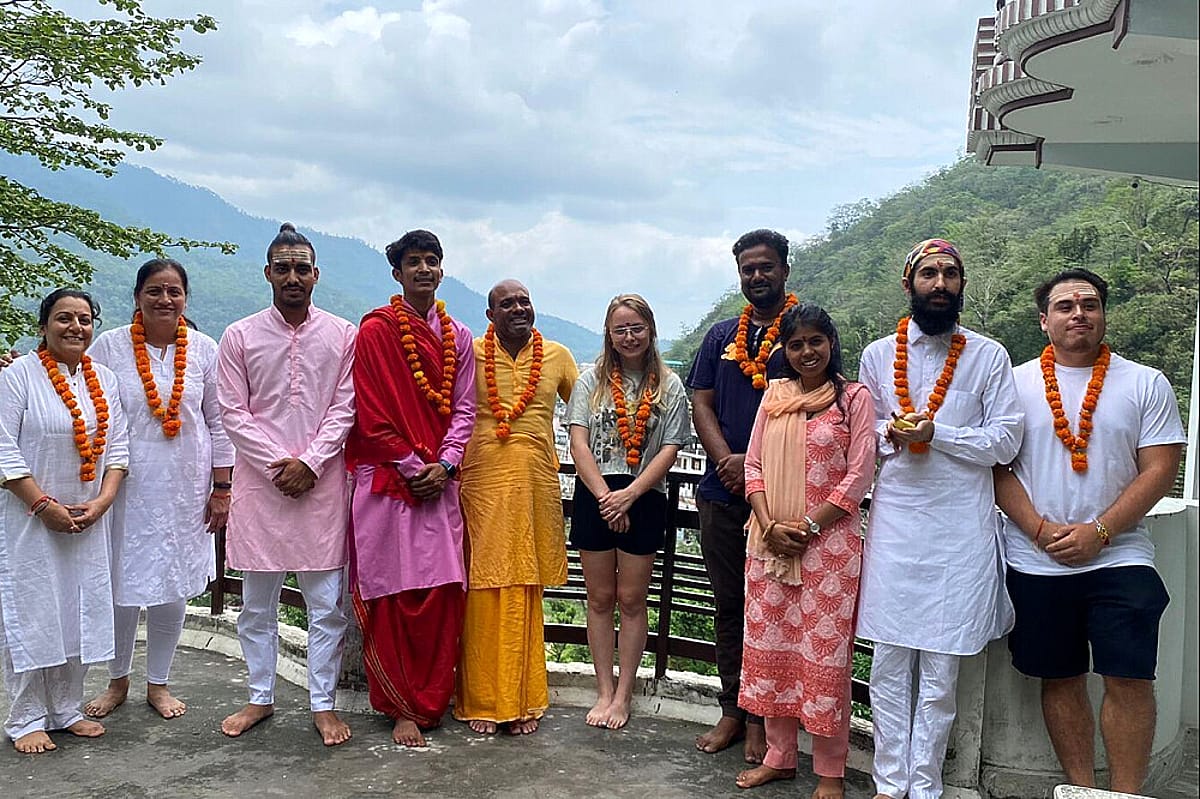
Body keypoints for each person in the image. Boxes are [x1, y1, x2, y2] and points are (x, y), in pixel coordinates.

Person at [993, 269, 1184, 794]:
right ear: (1043, 320)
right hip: (1036, 557)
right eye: (1065, 305)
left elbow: (1160, 467)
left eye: (1090, 304)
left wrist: (1100, 531)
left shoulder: (1145, 382)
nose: (1079, 313)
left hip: (1121, 555)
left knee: (1130, 677)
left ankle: (1124, 794)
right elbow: (997, 468)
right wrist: (1036, 530)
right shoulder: (1012, 383)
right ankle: (1079, 788)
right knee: (1060, 675)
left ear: (1102, 313)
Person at [857, 239, 1023, 799]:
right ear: (909, 285)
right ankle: (889, 782)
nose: (940, 283)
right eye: (929, 273)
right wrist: (891, 433)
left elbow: (1005, 441)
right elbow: (868, 435)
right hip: (897, 523)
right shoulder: (879, 354)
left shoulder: (989, 355)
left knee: (941, 671)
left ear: (962, 286)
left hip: (959, 529)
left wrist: (938, 434)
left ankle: (925, 787)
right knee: (888, 660)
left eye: (951, 274)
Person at [216, 223, 356, 746]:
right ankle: (259, 695)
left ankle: (322, 704)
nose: (293, 276)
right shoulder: (240, 335)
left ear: (316, 275)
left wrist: (313, 463)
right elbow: (232, 412)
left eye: (302, 268)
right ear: (267, 273)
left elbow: (346, 406)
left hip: (321, 488)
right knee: (257, 605)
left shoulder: (343, 334)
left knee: (326, 606)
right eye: (283, 268)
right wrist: (282, 464)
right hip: (262, 488)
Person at [79, 259, 234, 721]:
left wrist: (222, 488)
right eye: (154, 291)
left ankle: (159, 684)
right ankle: (117, 680)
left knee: (173, 586)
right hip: (123, 484)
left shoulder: (205, 349)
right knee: (121, 584)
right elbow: (81, 396)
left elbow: (219, 422)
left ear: (185, 298)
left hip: (186, 486)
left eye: (173, 291)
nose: (164, 300)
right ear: (137, 297)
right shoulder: (109, 346)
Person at [734, 304, 876, 799]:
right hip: (771, 545)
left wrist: (810, 525)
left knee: (824, 657)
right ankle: (779, 756)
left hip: (830, 550)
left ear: (832, 343)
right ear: (785, 352)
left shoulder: (853, 400)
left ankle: (830, 771)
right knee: (773, 649)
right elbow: (753, 465)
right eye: (796, 344)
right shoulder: (774, 399)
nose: (807, 351)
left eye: (816, 341)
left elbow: (858, 476)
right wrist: (770, 523)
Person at [344, 229, 476, 747]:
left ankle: (432, 700)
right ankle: (400, 706)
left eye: (432, 261)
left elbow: (464, 408)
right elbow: (370, 413)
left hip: (439, 486)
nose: (424, 269)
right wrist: (410, 464)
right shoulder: (375, 331)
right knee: (393, 596)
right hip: (387, 483)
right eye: (414, 262)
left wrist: (443, 464)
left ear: (442, 271)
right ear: (397, 273)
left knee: (442, 593)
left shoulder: (458, 336)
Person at [0, 289, 129, 753]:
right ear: (43, 325)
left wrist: (102, 503)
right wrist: (41, 506)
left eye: (85, 319)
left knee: (78, 612)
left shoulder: (105, 380)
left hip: (86, 520)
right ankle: (27, 717)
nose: (76, 327)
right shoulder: (18, 376)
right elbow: (3, 448)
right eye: (63, 318)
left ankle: (66, 708)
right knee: (35, 611)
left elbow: (118, 448)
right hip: (30, 519)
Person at [686, 228, 795, 762]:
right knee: (729, 605)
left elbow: (818, 401)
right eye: (748, 269)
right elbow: (700, 401)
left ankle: (763, 719)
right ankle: (733, 709)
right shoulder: (719, 336)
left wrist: (756, 470)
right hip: (722, 491)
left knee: (771, 609)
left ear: (784, 271)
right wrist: (727, 460)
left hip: (781, 498)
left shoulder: (803, 331)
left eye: (766, 267)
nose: (757, 276)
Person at [454, 279, 578, 736]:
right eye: (506, 303)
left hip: (534, 486)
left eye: (525, 300)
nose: (518, 308)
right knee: (481, 592)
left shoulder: (559, 357)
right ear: (490, 315)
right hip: (482, 487)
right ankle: (482, 701)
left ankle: (525, 701)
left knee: (526, 589)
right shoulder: (469, 351)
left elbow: (588, 414)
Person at [565, 293, 691, 730]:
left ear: (651, 330)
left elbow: (672, 447)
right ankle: (603, 690)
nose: (630, 336)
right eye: (621, 329)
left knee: (633, 599)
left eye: (636, 327)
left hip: (644, 496)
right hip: (595, 493)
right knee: (599, 598)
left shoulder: (669, 385)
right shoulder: (591, 382)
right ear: (609, 335)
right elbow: (578, 442)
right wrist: (606, 497)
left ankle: (624, 696)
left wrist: (630, 495)